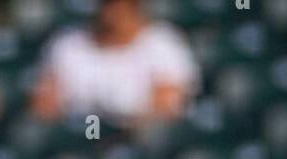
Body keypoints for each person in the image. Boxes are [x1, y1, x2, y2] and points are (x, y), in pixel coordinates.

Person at [30, 0, 198, 129]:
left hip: (137, 132)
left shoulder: (161, 41)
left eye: (119, 5)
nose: (112, 12)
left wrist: (126, 126)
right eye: (107, 4)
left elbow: (168, 104)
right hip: (86, 131)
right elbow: (44, 105)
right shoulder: (69, 44)